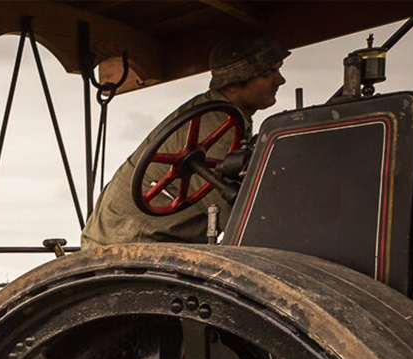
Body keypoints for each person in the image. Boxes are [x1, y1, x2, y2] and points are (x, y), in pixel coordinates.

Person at [80, 31, 288, 250]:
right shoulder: (216, 121)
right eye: (268, 73)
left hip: (138, 239)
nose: (280, 80)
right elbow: (230, 212)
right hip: (130, 243)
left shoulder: (228, 115)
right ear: (232, 85)